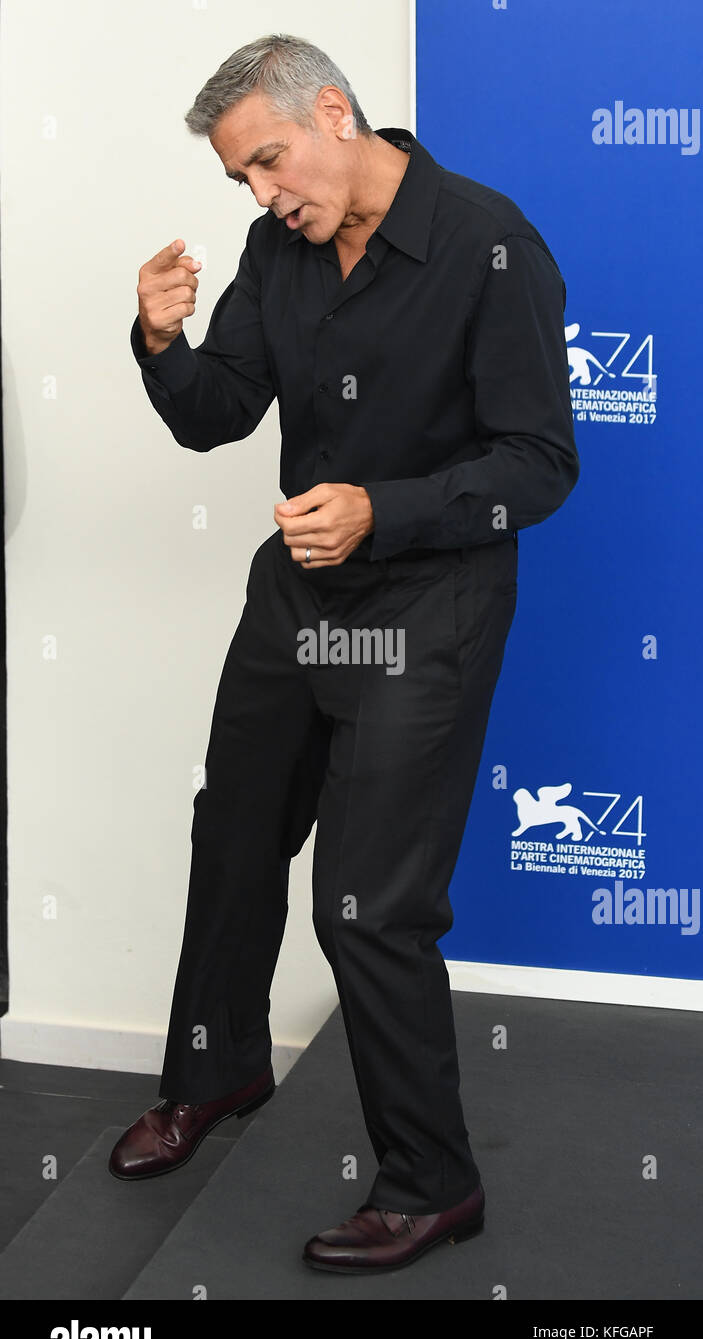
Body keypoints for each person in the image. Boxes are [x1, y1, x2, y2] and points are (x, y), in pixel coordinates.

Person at [109, 33, 579, 1274]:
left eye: (268, 161)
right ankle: (217, 1073)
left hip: (430, 604)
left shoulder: (492, 243)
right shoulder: (279, 250)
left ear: (333, 111)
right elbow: (220, 414)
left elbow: (540, 465)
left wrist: (386, 506)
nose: (262, 196)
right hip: (298, 597)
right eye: (241, 183)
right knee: (235, 828)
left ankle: (434, 1183)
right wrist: (162, 342)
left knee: (367, 903)